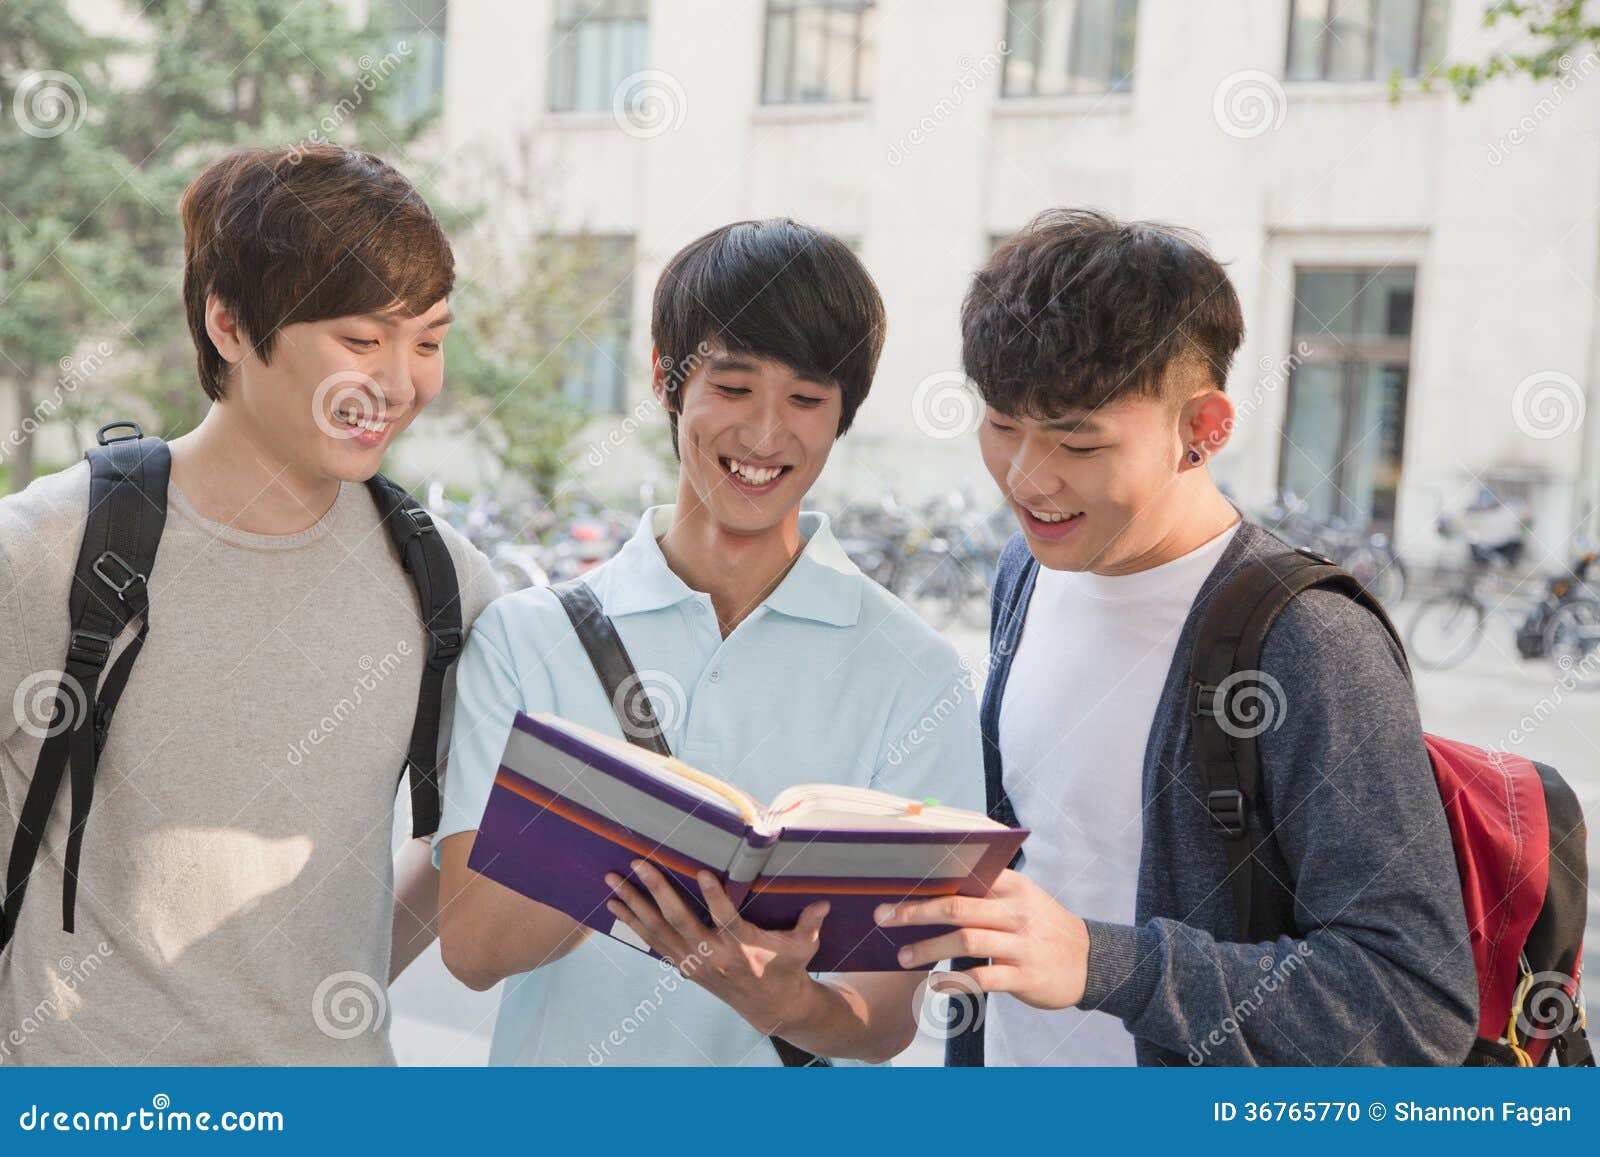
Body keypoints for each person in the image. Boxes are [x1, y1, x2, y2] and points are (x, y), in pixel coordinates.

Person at [880, 209, 1477, 1066]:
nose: (1027, 477)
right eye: (1003, 426)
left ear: (1204, 427)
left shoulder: (1308, 638)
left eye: (1077, 442)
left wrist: (1102, 963)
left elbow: (1413, 1002)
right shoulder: (1029, 568)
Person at [435, 218, 984, 1066]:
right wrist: (640, 844)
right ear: (666, 378)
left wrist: (790, 1000)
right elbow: (471, 948)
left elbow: (885, 1021)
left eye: (806, 400)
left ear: (843, 414)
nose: (766, 436)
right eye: (732, 388)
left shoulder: (920, 676)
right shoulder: (525, 636)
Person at [0, 145, 499, 1064]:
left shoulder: (447, 584)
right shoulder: (45, 552)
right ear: (229, 324)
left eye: (427, 340)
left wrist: (319, 996)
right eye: (362, 339)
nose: (398, 383)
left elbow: (472, 843)